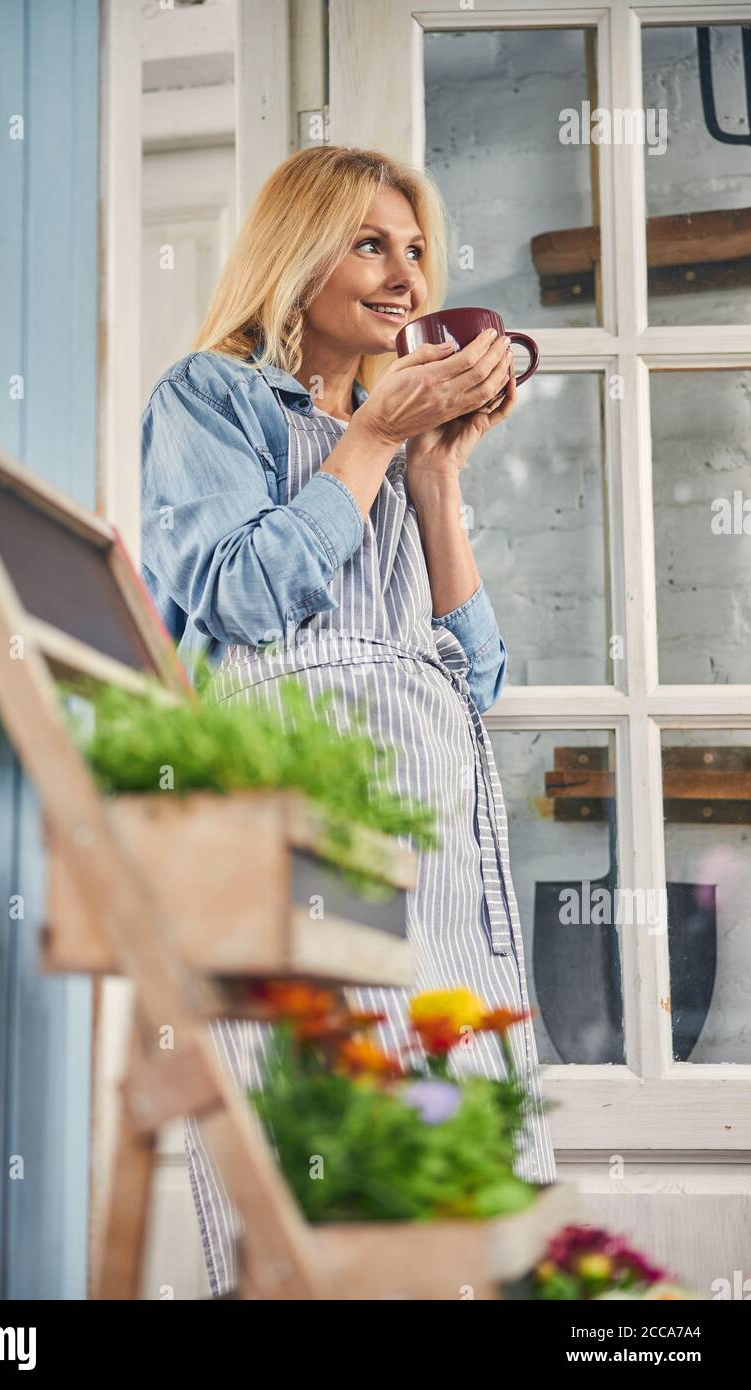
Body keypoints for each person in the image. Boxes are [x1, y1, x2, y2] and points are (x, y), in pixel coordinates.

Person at [140, 145, 557, 1298]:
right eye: (370, 242)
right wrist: (368, 443)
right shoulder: (208, 397)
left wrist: (433, 476)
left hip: (437, 847)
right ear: (294, 257)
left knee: (462, 1183)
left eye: (415, 249)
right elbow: (239, 595)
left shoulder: (393, 435)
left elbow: (475, 676)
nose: (404, 276)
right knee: (330, 1186)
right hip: (300, 829)